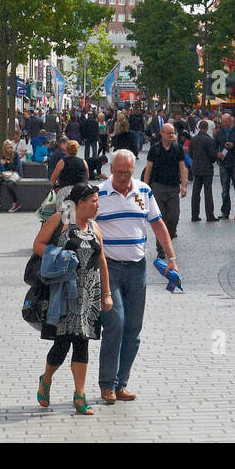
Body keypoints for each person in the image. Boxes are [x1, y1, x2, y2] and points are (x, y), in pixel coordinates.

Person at [96, 149, 177, 405]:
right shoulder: (98, 194)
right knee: (115, 324)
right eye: (119, 172)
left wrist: (171, 257)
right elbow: (81, 222)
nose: (123, 177)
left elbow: (157, 224)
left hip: (137, 268)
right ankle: (107, 384)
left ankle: (121, 384)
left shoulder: (143, 191)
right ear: (111, 169)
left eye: (127, 173)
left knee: (133, 329)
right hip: (108, 269)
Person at [34, 182, 112, 415]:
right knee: (62, 344)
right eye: (94, 201)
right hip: (63, 293)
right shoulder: (61, 219)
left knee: (82, 342)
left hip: (89, 296)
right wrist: (60, 255)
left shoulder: (94, 227)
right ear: (80, 202)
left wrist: (106, 294)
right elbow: (38, 245)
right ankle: (46, 379)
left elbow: (102, 261)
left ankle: (80, 396)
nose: (97, 205)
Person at [142, 123, 187, 242]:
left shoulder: (177, 148)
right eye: (168, 133)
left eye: (172, 133)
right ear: (161, 133)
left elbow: (182, 167)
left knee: (174, 218)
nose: (171, 135)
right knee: (160, 218)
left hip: (173, 188)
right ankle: (160, 246)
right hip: (158, 187)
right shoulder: (155, 149)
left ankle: (169, 237)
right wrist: (145, 187)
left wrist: (184, 185)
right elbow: (148, 169)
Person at [188, 120, 219, 223]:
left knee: (196, 192)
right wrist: (213, 159)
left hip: (196, 168)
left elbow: (191, 154)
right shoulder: (209, 140)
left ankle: (194, 215)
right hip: (207, 169)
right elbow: (213, 155)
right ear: (206, 128)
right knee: (208, 192)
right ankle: (210, 215)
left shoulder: (193, 139)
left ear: (198, 127)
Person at [0, 140, 23, 212]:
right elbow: (3, 169)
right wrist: (2, 166)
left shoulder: (16, 155)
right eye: (8, 148)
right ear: (5, 148)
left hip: (15, 173)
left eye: (11, 147)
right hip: (6, 173)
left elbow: (15, 167)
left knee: (9, 184)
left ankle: (16, 202)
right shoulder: (3, 156)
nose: (10, 149)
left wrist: (6, 163)